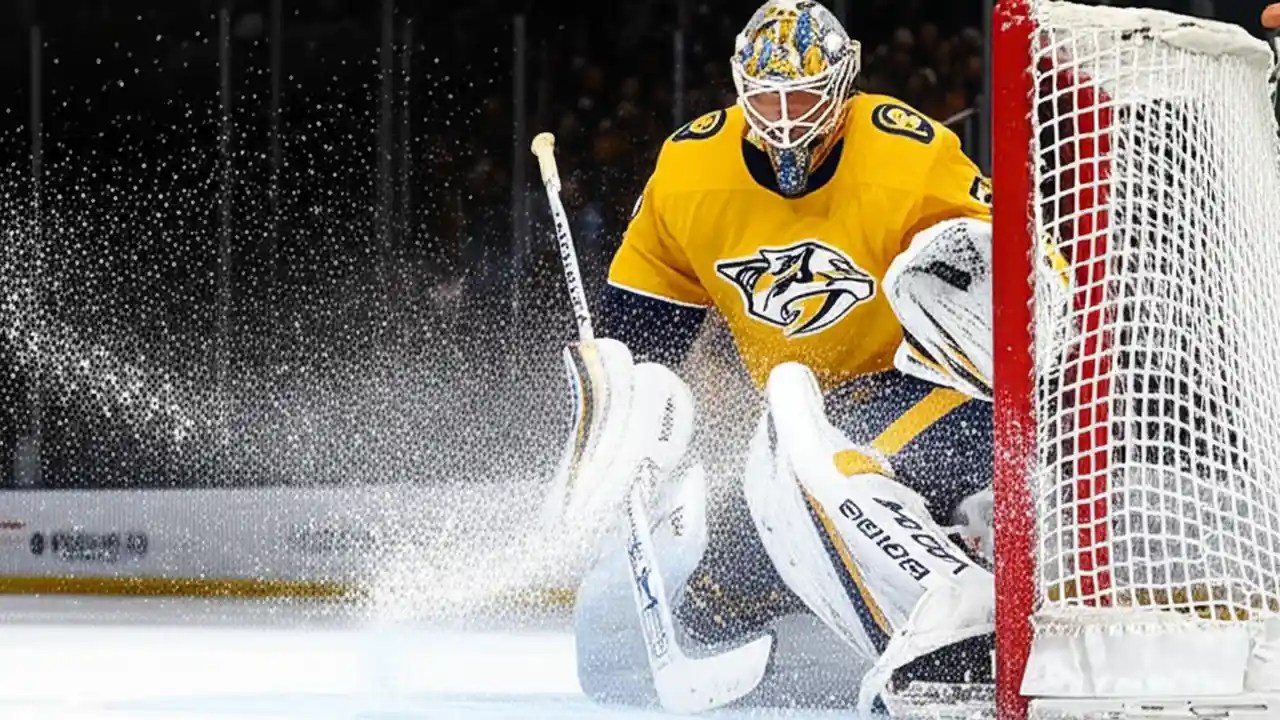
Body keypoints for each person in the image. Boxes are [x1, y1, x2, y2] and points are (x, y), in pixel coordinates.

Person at [548, 0, 996, 713]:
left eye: (803, 96)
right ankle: (902, 612)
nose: (785, 118)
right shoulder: (691, 173)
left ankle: (964, 623)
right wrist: (625, 424)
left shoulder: (910, 156)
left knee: (804, 464)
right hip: (800, 421)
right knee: (708, 596)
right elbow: (641, 334)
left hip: (941, 399)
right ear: (738, 90)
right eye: (766, 97)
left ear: (843, 87)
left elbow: (1023, 280)